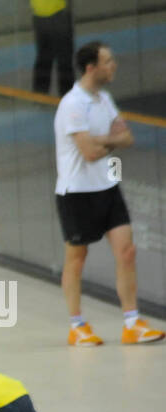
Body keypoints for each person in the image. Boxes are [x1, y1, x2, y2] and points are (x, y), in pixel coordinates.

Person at [55, 42, 164, 346]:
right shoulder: (72, 105)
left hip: (107, 187)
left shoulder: (105, 99)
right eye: (108, 61)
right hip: (76, 192)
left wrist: (101, 139)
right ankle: (77, 325)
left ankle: (132, 322)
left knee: (127, 252)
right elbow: (89, 153)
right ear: (91, 68)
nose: (114, 65)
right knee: (77, 257)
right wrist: (107, 140)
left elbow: (126, 137)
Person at [31, 0, 74, 95]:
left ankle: (40, 95)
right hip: (54, 14)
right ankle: (65, 95)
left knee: (46, 58)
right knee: (62, 59)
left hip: (44, 14)